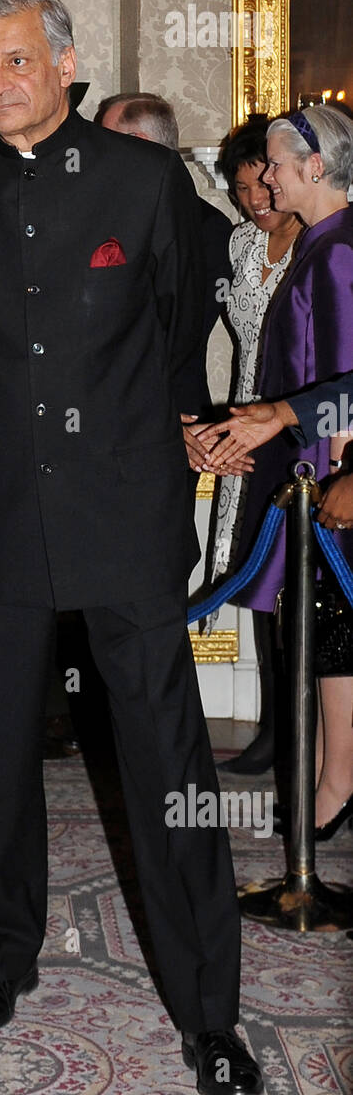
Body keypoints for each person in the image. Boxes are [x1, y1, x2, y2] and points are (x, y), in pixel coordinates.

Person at [0, 0, 263, 1095]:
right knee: (2, 752)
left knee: (167, 761)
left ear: (66, 64)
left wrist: (185, 439)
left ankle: (210, 1009)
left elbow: (175, 336)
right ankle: (7, 956)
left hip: (122, 506)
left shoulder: (147, 182)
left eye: (17, 59)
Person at [197, 106, 353, 841]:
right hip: (306, 467)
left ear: (315, 168)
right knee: (320, 632)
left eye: (278, 165)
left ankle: (337, 781)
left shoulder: (339, 248)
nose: (267, 177)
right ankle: (329, 774)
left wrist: (336, 468)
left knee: (332, 631)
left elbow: (350, 385)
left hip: (332, 475)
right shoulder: (320, 244)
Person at [207, 119, 300, 776]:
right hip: (245, 427)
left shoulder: (321, 244)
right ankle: (279, 726)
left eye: (261, 185)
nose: (254, 200)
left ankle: (311, 733)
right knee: (263, 587)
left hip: (296, 431)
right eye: (240, 190)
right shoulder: (240, 244)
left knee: (306, 591)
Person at [97, 90, 233, 445]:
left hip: (175, 413)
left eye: (104, 141)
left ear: (138, 144)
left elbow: (183, 331)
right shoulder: (109, 218)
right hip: (108, 414)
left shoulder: (209, 227)